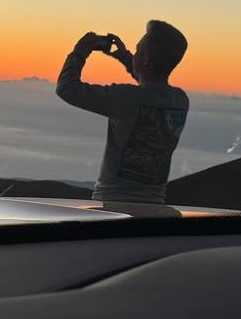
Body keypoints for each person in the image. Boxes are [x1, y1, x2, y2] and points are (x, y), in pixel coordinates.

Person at [55, 21, 190, 207]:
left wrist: (79, 51)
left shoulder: (126, 98)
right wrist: (125, 57)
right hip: (155, 205)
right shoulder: (180, 100)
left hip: (113, 205)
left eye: (137, 51)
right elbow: (150, 87)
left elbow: (67, 88)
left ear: (143, 59)